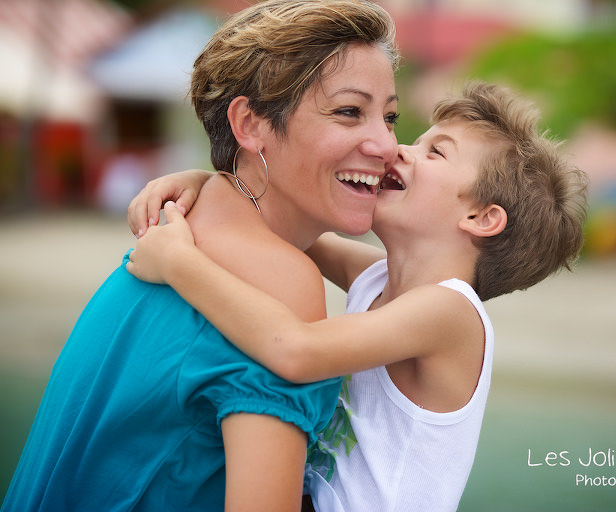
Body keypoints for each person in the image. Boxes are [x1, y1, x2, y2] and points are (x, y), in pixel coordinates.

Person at [1, 1, 400, 510]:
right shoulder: (278, 277)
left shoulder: (185, 226)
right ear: (250, 124)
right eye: (349, 111)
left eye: (389, 116)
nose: (387, 144)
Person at [126, 81, 590, 511]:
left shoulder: (450, 313)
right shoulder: (381, 279)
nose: (398, 149)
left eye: (435, 153)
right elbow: (278, 220)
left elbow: (296, 350)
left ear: (481, 218)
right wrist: (209, 183)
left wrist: (178, 264)